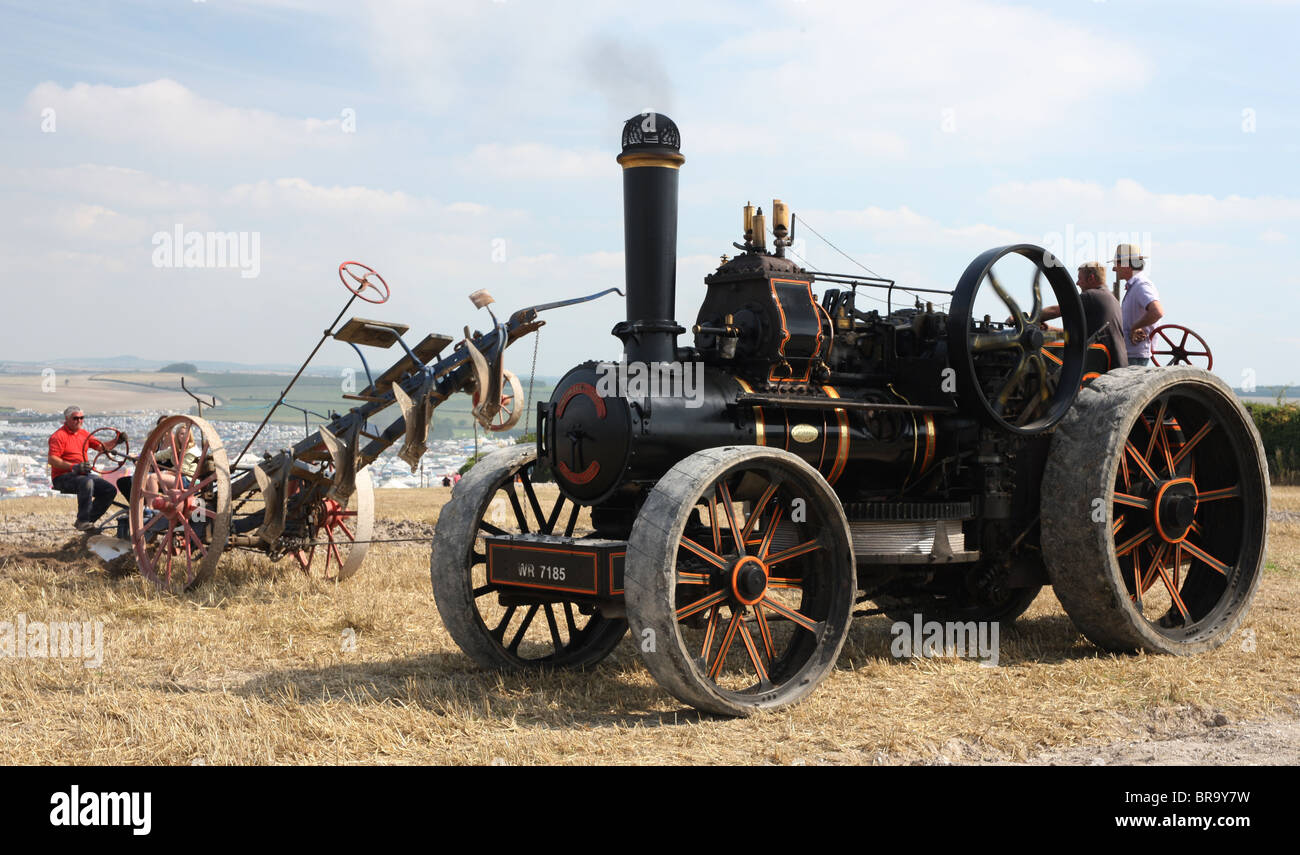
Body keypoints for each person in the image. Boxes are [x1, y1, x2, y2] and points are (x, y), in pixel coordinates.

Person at [1039, 262, 1129, 370]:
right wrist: (1050, 329)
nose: (1077, 283)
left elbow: (1055, 311)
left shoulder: (1090, 296)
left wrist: (1029, 317)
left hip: (1102, 367)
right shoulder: (1111, 298)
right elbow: (1084, 334)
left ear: (1091, 278)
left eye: (1080, 279)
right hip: (1117, 363)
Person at [48, 405, 122, 530]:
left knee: (109, 490)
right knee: (87, 482)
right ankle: (83, 520)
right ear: (67, 419)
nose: (79, 421)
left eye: (81, 418)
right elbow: (52, 460)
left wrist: (116, 441)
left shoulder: (84, 434)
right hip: (62, 477)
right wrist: (74, 467)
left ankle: (88, 521)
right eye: (75, 418)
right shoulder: (58, 436)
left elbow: (101, 447)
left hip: (82, 474)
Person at [1115, 243, 1164, 366]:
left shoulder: (1141, 285)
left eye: (1117, 264)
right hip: (1133, 353)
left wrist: (1135, 327)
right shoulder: (1136, 286)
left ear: (1126, 265)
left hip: (1136, 355)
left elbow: (1157, 312)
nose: (1114, 269)